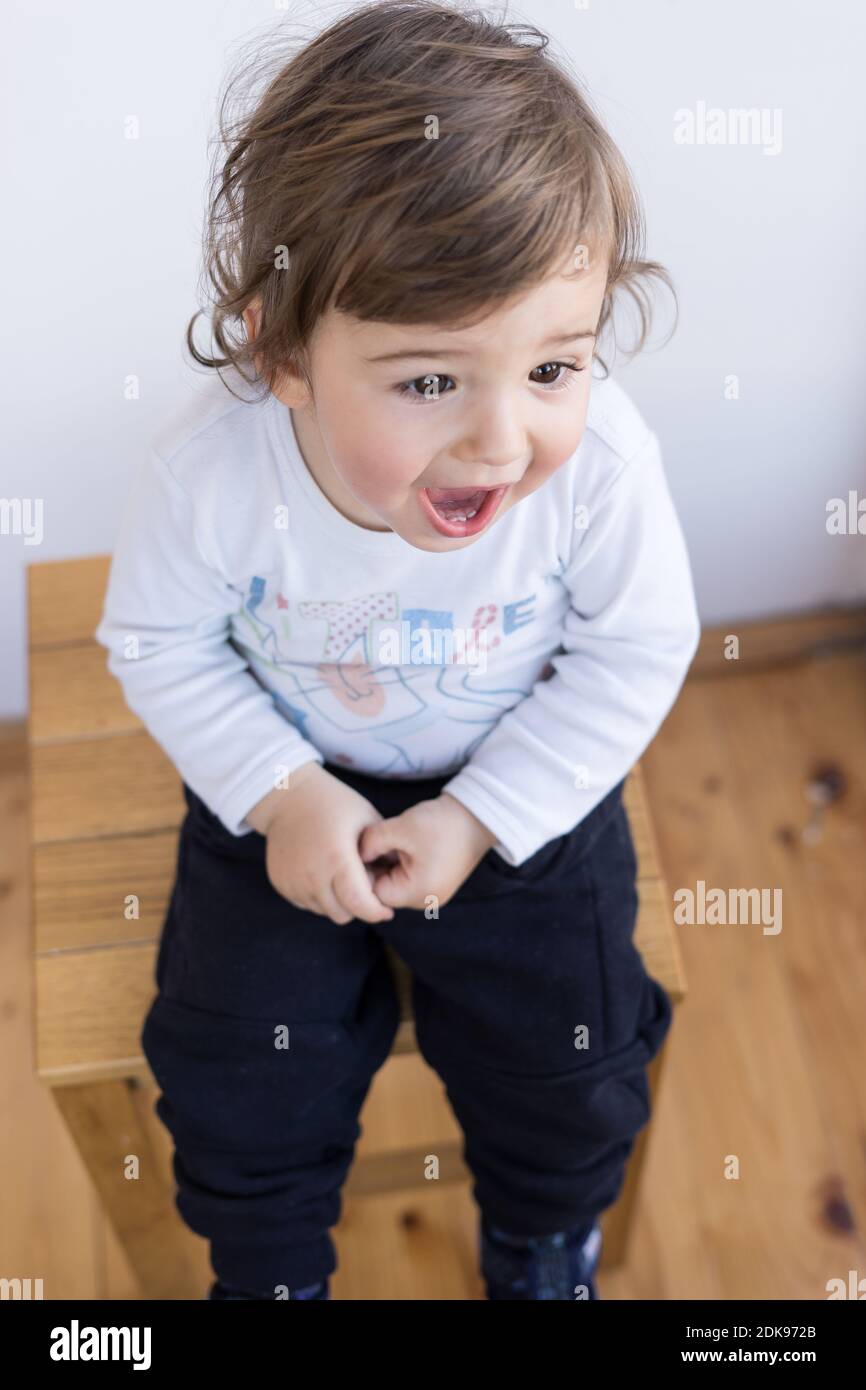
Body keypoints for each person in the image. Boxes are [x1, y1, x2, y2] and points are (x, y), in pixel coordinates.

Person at [95, 0, 701, 1301]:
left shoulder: (599, 466)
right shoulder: (210, 474)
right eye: (430, 381)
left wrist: (481, 816)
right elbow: (157, 641)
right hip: (288, 777)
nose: (500, 439)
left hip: (514, 779)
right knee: (231, 1062)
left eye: (553, 366)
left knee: (573, 1058)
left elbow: (634, 649)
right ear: (281, 347)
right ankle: (265, 1271)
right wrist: (278, 790)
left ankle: (545, 1239)